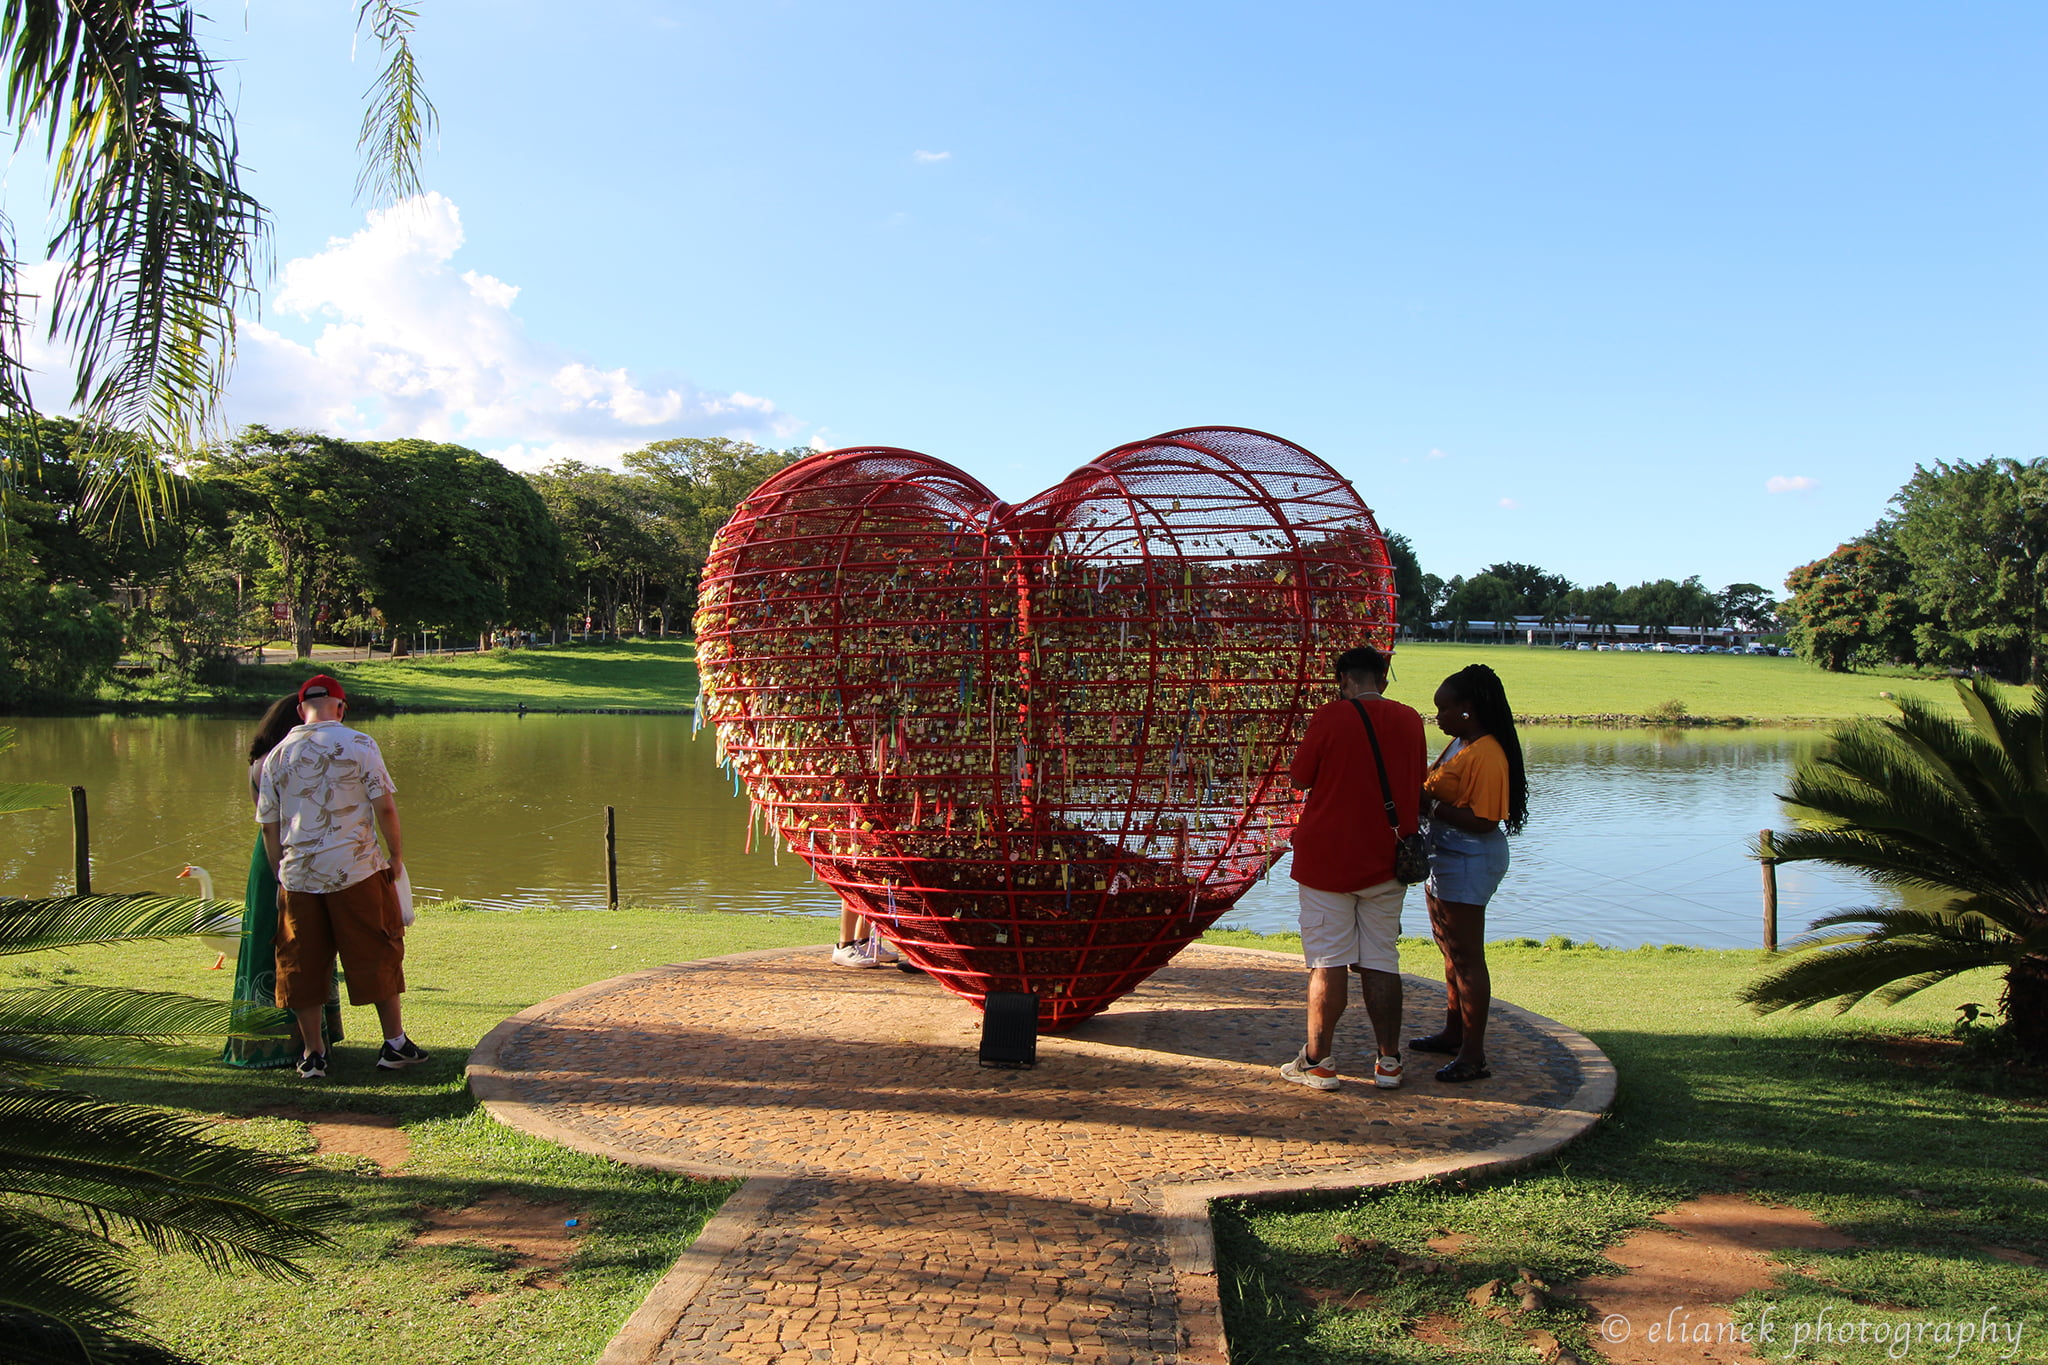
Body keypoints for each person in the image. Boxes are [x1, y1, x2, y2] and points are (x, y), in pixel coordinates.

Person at [255, 674, 428, 1081]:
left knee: (302, 961)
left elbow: (269, 826)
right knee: (379, 949)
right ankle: (395, 1043)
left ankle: (314, 1055)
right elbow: (384, 807)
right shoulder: (360, 744)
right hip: (357, 869)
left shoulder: (277, 756)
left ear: (301, 710)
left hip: (299, 875)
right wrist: (397, 855)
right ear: (341, 706)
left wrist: (280, 873)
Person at [1278, 645, 1426, 1092]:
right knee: (1382, 959)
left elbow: (1300, 777)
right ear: (1383, 678)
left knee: (1327, 961)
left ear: (1343, 680)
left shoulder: (1329, 717)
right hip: (1387, 859)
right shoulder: (1410, 719)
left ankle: (1319, 1061)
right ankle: (1389, 1062)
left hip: (1327, 862)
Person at [1412, 663, 1528, 1083]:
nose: (1437, 717)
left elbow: (1485, 821)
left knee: (1467, 958)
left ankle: (1473, 1055)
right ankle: (1453, 1032)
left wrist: (1429, 807)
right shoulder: (1461, 743)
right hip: (1445, 855)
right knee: (1449, 951)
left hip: (1470, 857)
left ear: (1468, 708)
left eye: (1443, 709)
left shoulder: (1487, 753)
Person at [221, 695, 342, 1068]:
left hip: (275, 852)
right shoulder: (274, 764)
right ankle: (279, 1039)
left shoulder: (266, 763)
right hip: (286, 856)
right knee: (282, 939)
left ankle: (305, 1040)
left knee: (295, 941)